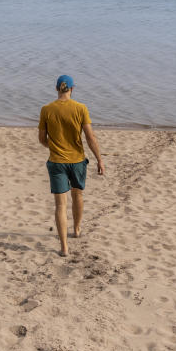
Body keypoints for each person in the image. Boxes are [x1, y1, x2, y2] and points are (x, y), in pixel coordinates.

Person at [38, 74, 104, 256]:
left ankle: (64, 248)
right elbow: (90, 138)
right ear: (72, 89)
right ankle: (76, 229)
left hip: (57, 162)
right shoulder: (81, 108)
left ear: (56, 89)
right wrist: (99, 159)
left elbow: (42, 139)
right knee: (78, 195)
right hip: (77, 161)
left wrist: (54, 147)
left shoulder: (46, 109)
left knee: (60, 205)